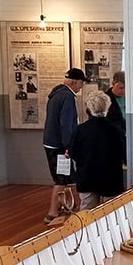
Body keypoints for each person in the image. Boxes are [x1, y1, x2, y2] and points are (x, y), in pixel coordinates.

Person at [42, 67, 87, 224]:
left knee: (65, 177)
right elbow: (66, 124)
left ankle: (68, 205)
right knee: (61, 179)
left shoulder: (56, 94)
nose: (82, 86)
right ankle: (52, 213)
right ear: (74, 82)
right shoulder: (68, 97)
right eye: (81, 83)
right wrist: (70, 145)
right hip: (60, 145)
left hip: (51, 142)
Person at [69, 89, 127, 211]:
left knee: (87, 214)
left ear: (89, 109)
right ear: (107, 107)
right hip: (111, 178)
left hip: (87, 177)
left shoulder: (80, 130)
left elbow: (73, 153)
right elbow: (123, 154)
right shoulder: (116, 131)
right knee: (111, 213)